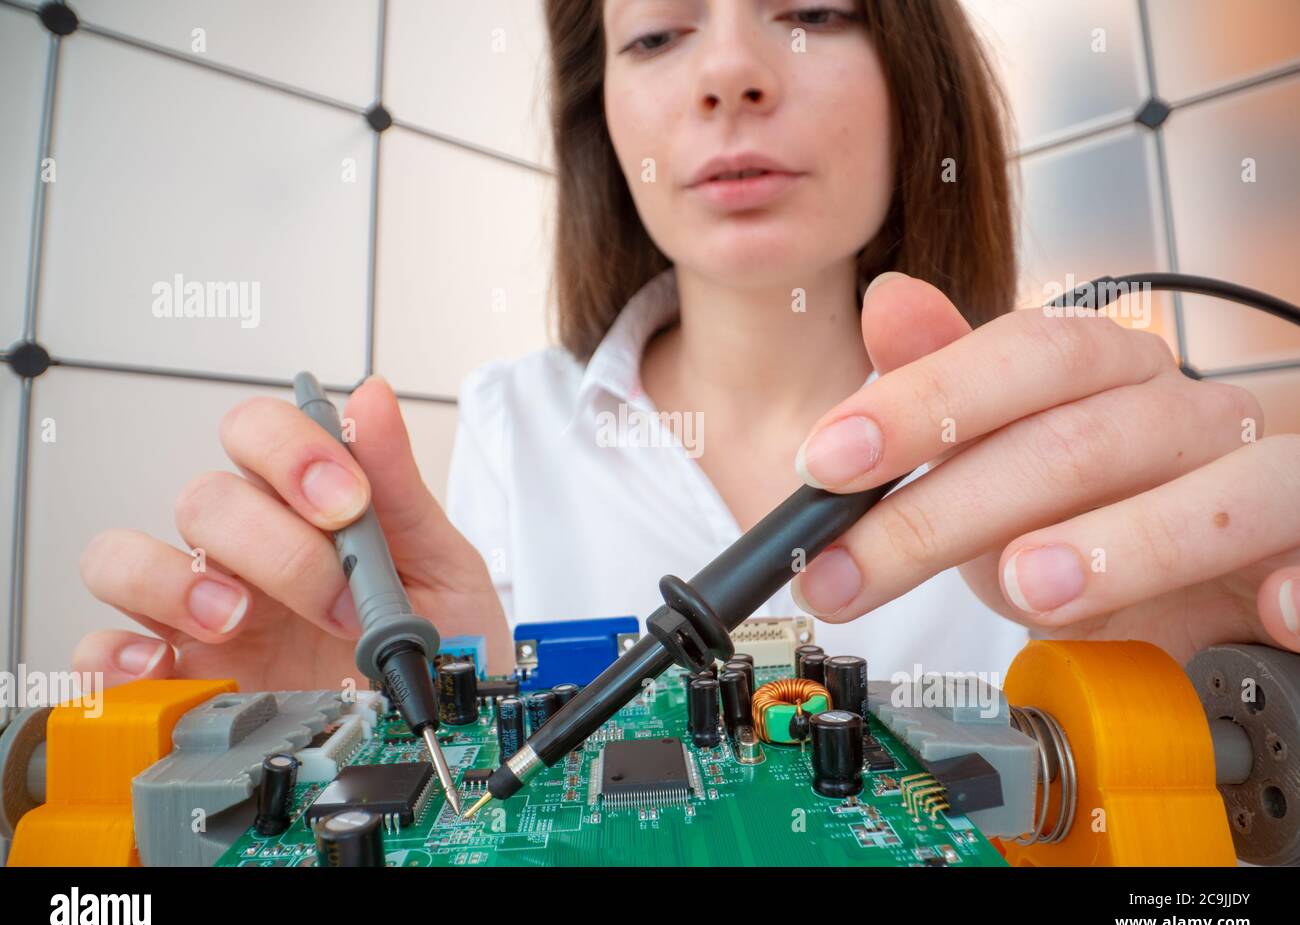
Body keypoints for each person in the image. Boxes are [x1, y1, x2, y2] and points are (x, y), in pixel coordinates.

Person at [73, 0, 1300, 694]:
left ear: (918, 81)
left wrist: (1241, 709)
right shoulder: (512, 421)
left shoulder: (1102, 450)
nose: (729, 74)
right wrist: (385, 732)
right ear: (598, 117)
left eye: (812, 11)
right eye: (655, 34)